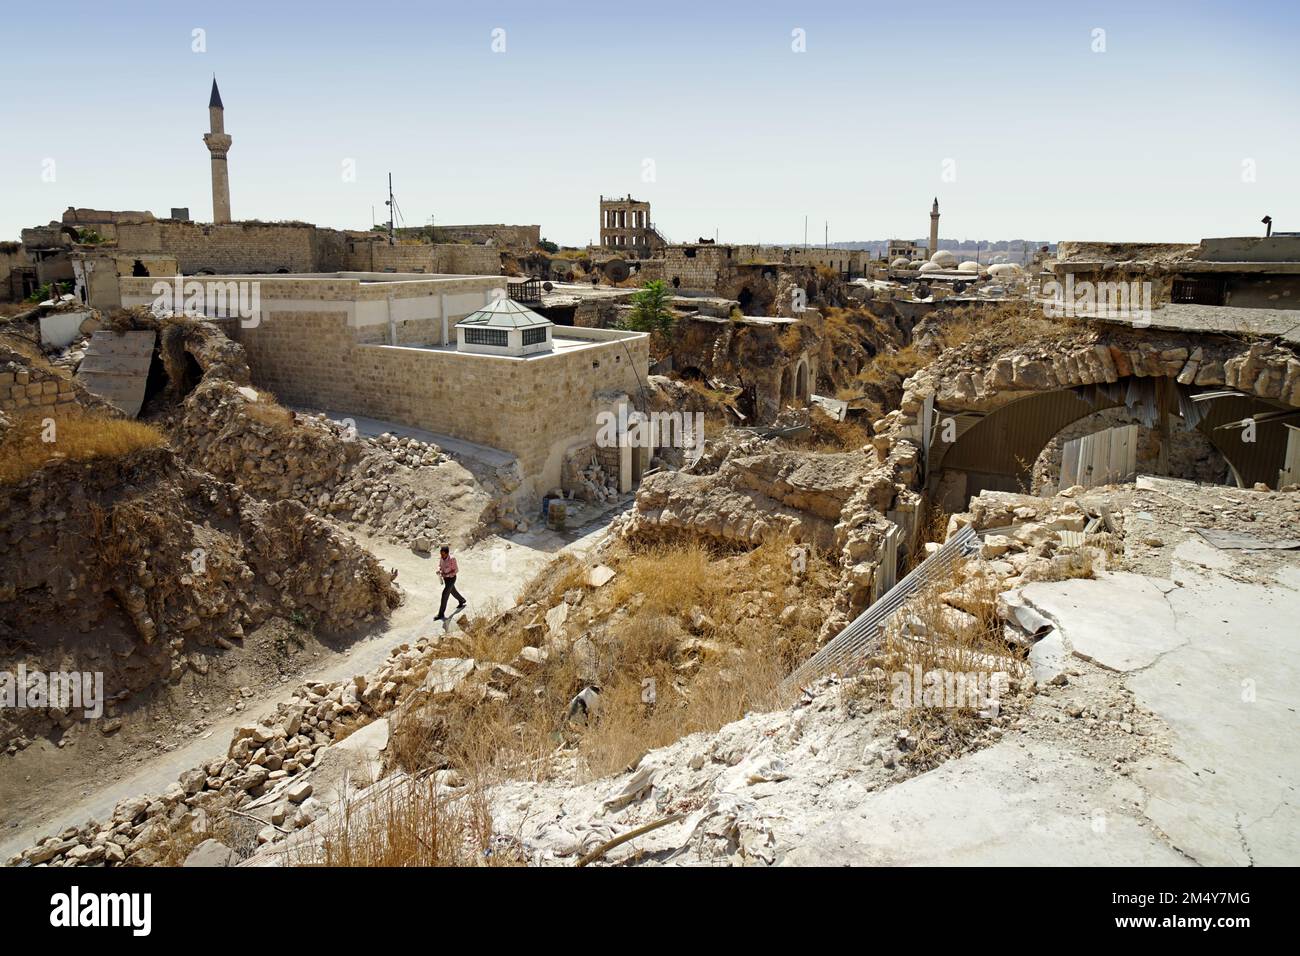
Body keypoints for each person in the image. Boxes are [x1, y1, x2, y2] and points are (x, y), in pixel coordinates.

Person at [434, 545, 466, 620]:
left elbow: (456, 570)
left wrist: (446, 574)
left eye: (443, 554)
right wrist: (438, 570)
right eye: (441, 554)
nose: (442, 555)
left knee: (445, 594)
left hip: (451, 579)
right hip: (445, 579)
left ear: (447, 553)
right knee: (453, 591)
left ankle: (441, 614)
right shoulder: (442, 558)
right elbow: (439, 565)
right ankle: (462, 600)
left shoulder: (452, 559)